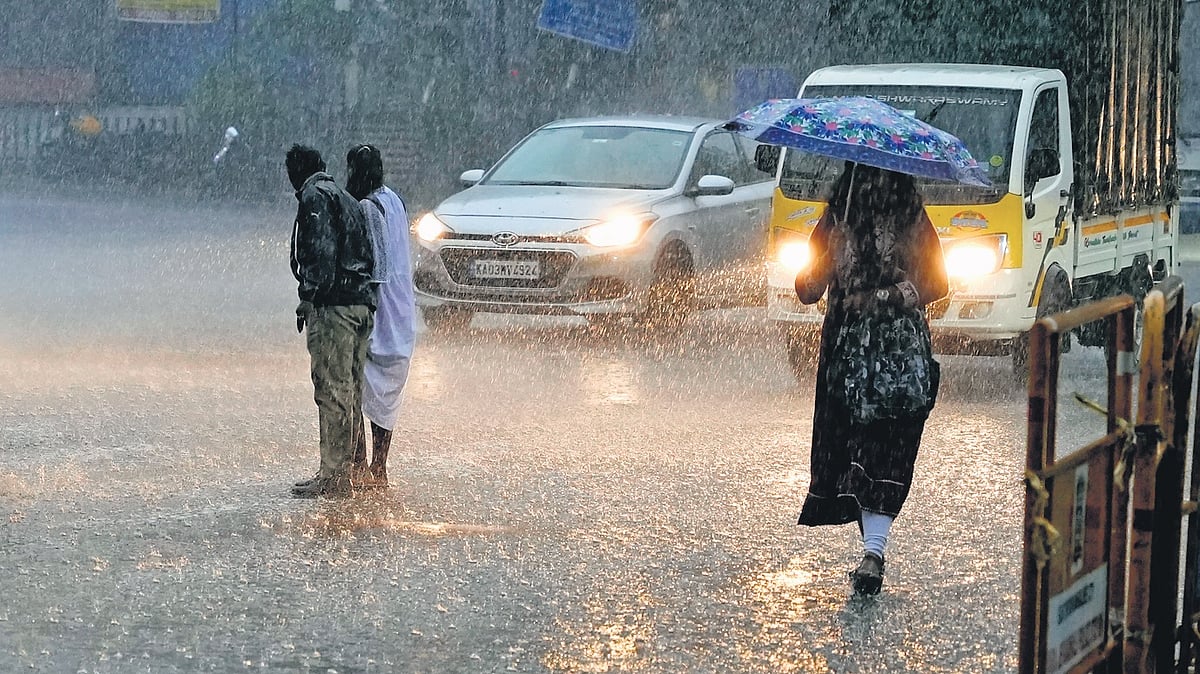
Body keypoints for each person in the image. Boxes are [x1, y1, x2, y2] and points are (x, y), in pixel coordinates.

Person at [793, 161, 948, 595]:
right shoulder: (837, 215)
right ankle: (873, 552)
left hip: (896, 358)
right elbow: (806, 290)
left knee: (886, 451)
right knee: (853, 451)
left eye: (879, 174)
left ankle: (873, 554)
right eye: (864, 173)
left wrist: (882, 297)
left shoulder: (910, 217)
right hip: (845, 360)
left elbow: (937, 282)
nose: (872, 182)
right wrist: (822, 264)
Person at [286, 144, 377, 498]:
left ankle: (334, 476)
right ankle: (351, 470)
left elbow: (321, 255)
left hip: (334, 310)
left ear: (295, 171)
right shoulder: (346, 197)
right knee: (352, 392)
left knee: (331, 391)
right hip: (360, 306)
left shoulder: (314, 197)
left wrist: (307, 299)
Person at [344, 144, 416, 488]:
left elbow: (379, 267)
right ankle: (379, 467)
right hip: (402, 308)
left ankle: (361, 464)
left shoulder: (367, 206)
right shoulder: (394, 199)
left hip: (381, 308)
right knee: (387, 394)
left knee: (355, 385)